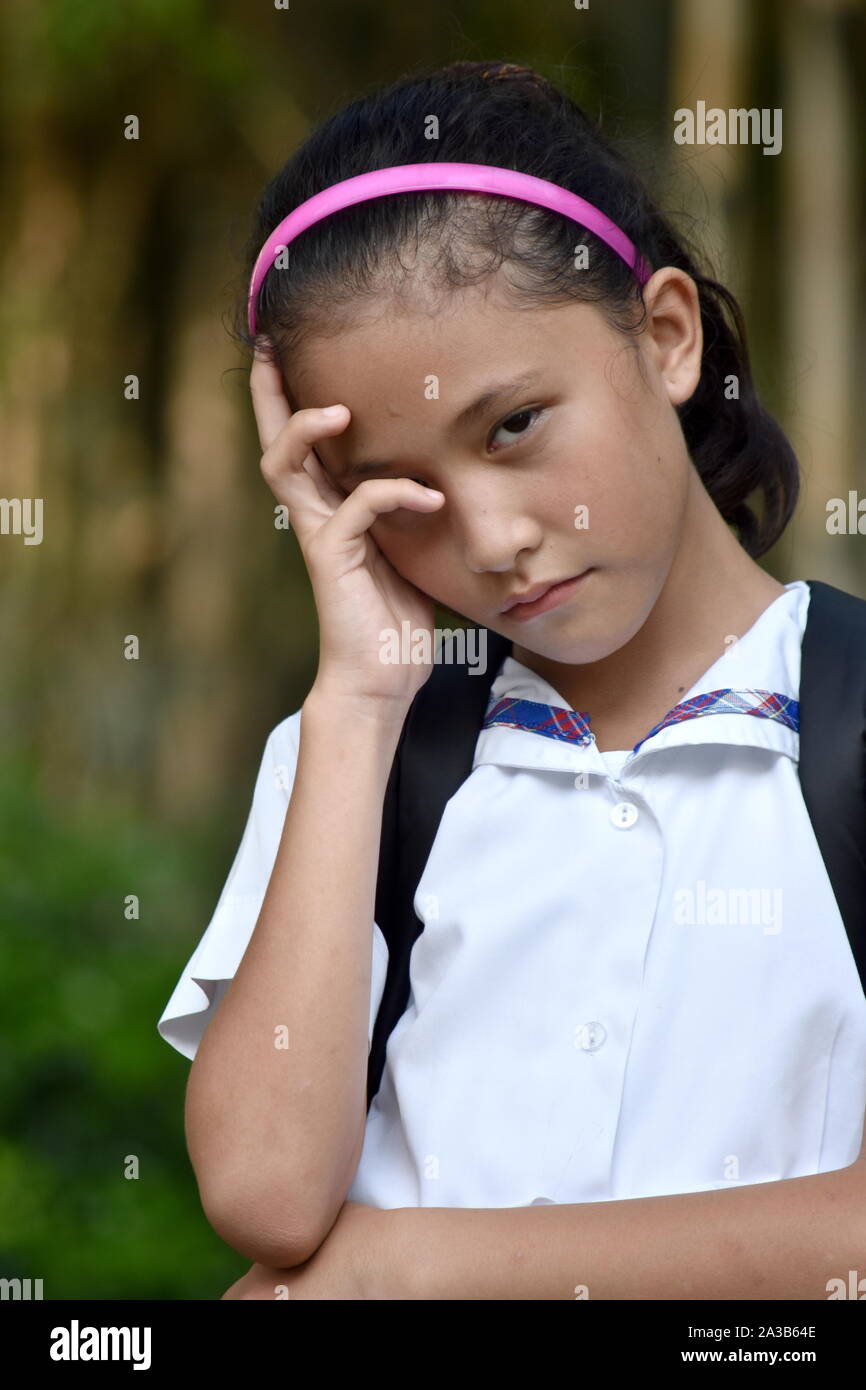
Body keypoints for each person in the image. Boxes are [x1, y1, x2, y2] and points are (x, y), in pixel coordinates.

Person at [156, 60, 866, 1299]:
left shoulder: (842, 721)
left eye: (513, 427)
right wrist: (360, 700)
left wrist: (416, 1272)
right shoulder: (356, 755)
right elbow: (267, 1192)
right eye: (404, 491)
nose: (487, 539)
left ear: (664, 336)